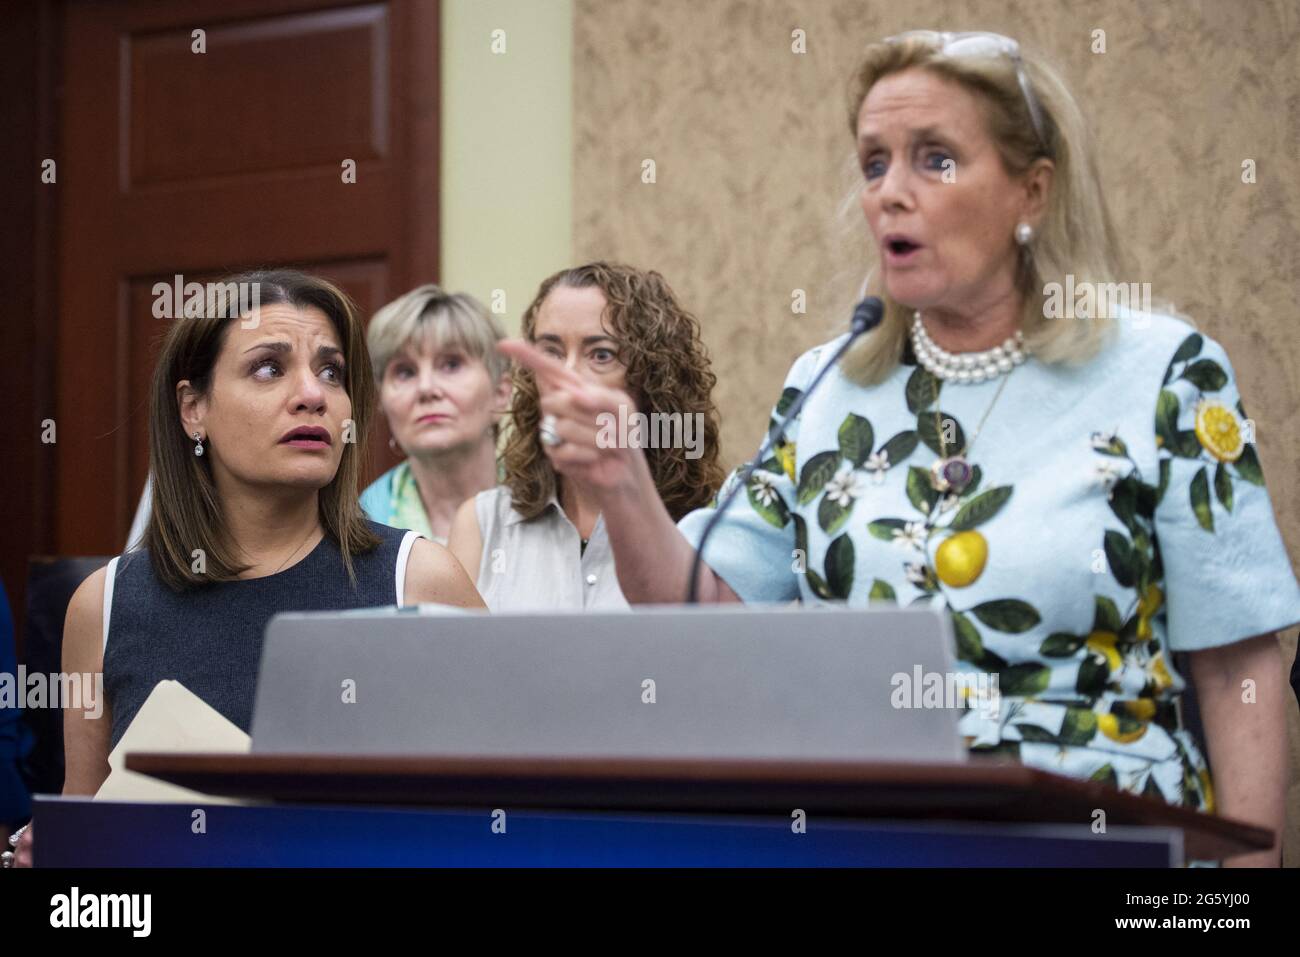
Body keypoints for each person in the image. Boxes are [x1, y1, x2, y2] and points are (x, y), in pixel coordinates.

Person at [501, 33, 1299, 865]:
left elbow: (1236, 661)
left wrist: (1243, 888)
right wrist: (624, 480)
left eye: (935, 160)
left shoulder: (1163, 370)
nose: (890, 193)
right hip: (870, 836)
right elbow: (696, 610)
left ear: (1033, 190)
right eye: (875, 163)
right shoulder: (827, 386)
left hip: (1110, 840)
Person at [14, 269, 483, 866]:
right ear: (193, 409)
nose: (312, 393)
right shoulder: (101, 605)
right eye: (270, 367)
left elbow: (506, 820)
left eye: (331, 371)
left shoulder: (420, 578)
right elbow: (83, 847)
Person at [449, 262, 724, 611]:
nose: (568, 375)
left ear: (652, 380)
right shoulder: (483, 523)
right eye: (551, 351)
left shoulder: (710, 524)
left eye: (601, 355)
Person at [360, 286, 511, 543]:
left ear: (500, 393)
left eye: (451, 364)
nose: (426, 388)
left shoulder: (548, 507)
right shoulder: (361, 525)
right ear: (382, 401)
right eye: (405, 372)